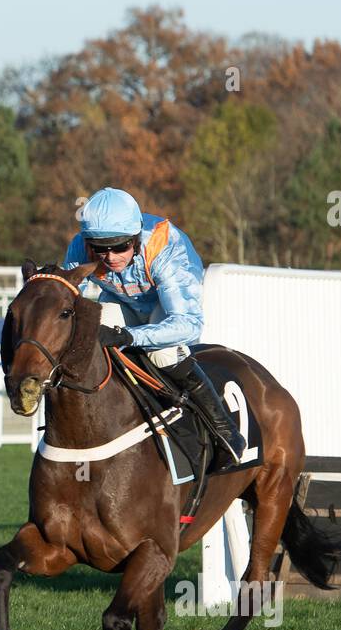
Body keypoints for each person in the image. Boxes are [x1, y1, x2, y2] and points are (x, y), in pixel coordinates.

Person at [62, 187, 246, 465]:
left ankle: (222, 427)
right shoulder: (80, 247)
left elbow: (189, 325)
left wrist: (128, 335)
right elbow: (68, 301)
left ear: (136, 238)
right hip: (120, 301)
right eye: (100, 249)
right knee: (90, 337)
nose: (110, 257)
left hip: (166, 304)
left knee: (162, 354)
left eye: (120, 246)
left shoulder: (165, 247)